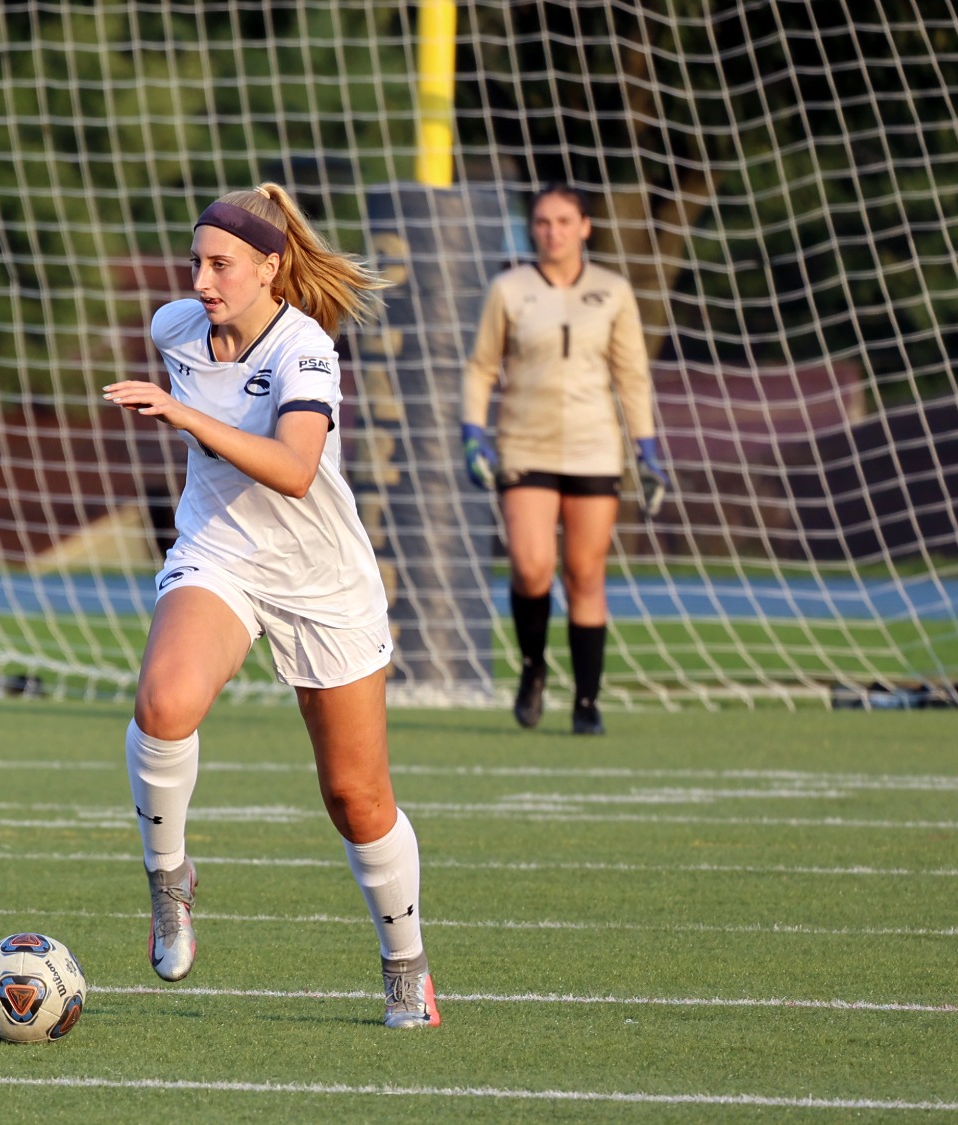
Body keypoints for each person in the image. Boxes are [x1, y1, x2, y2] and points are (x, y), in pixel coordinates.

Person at [101, 184, 436, 1029]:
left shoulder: (307, 350)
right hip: (221, 557)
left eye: (222, 264)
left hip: (323, 580)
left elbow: (292, 468)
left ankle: (406, 964)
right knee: (163, 702)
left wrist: (181, 412)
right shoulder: (176, 328)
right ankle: (170, 883)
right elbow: (190, 353)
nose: (203, 281)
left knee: (356, 796)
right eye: (196, 262)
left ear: (269, 264)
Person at [460, 185, 669, 735]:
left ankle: (586, 701)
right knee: (531, 569)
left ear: (584, 227)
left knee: (585, 573)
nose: (552, 230)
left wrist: (645, 449)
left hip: (595, 448)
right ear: (533, 228)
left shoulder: (614, 291)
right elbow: (482, 367)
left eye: (563, 221)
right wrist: (472, 433)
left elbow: (631, 375)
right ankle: (532, 670)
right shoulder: (509, 288)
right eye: (543, 222)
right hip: (525, 445)